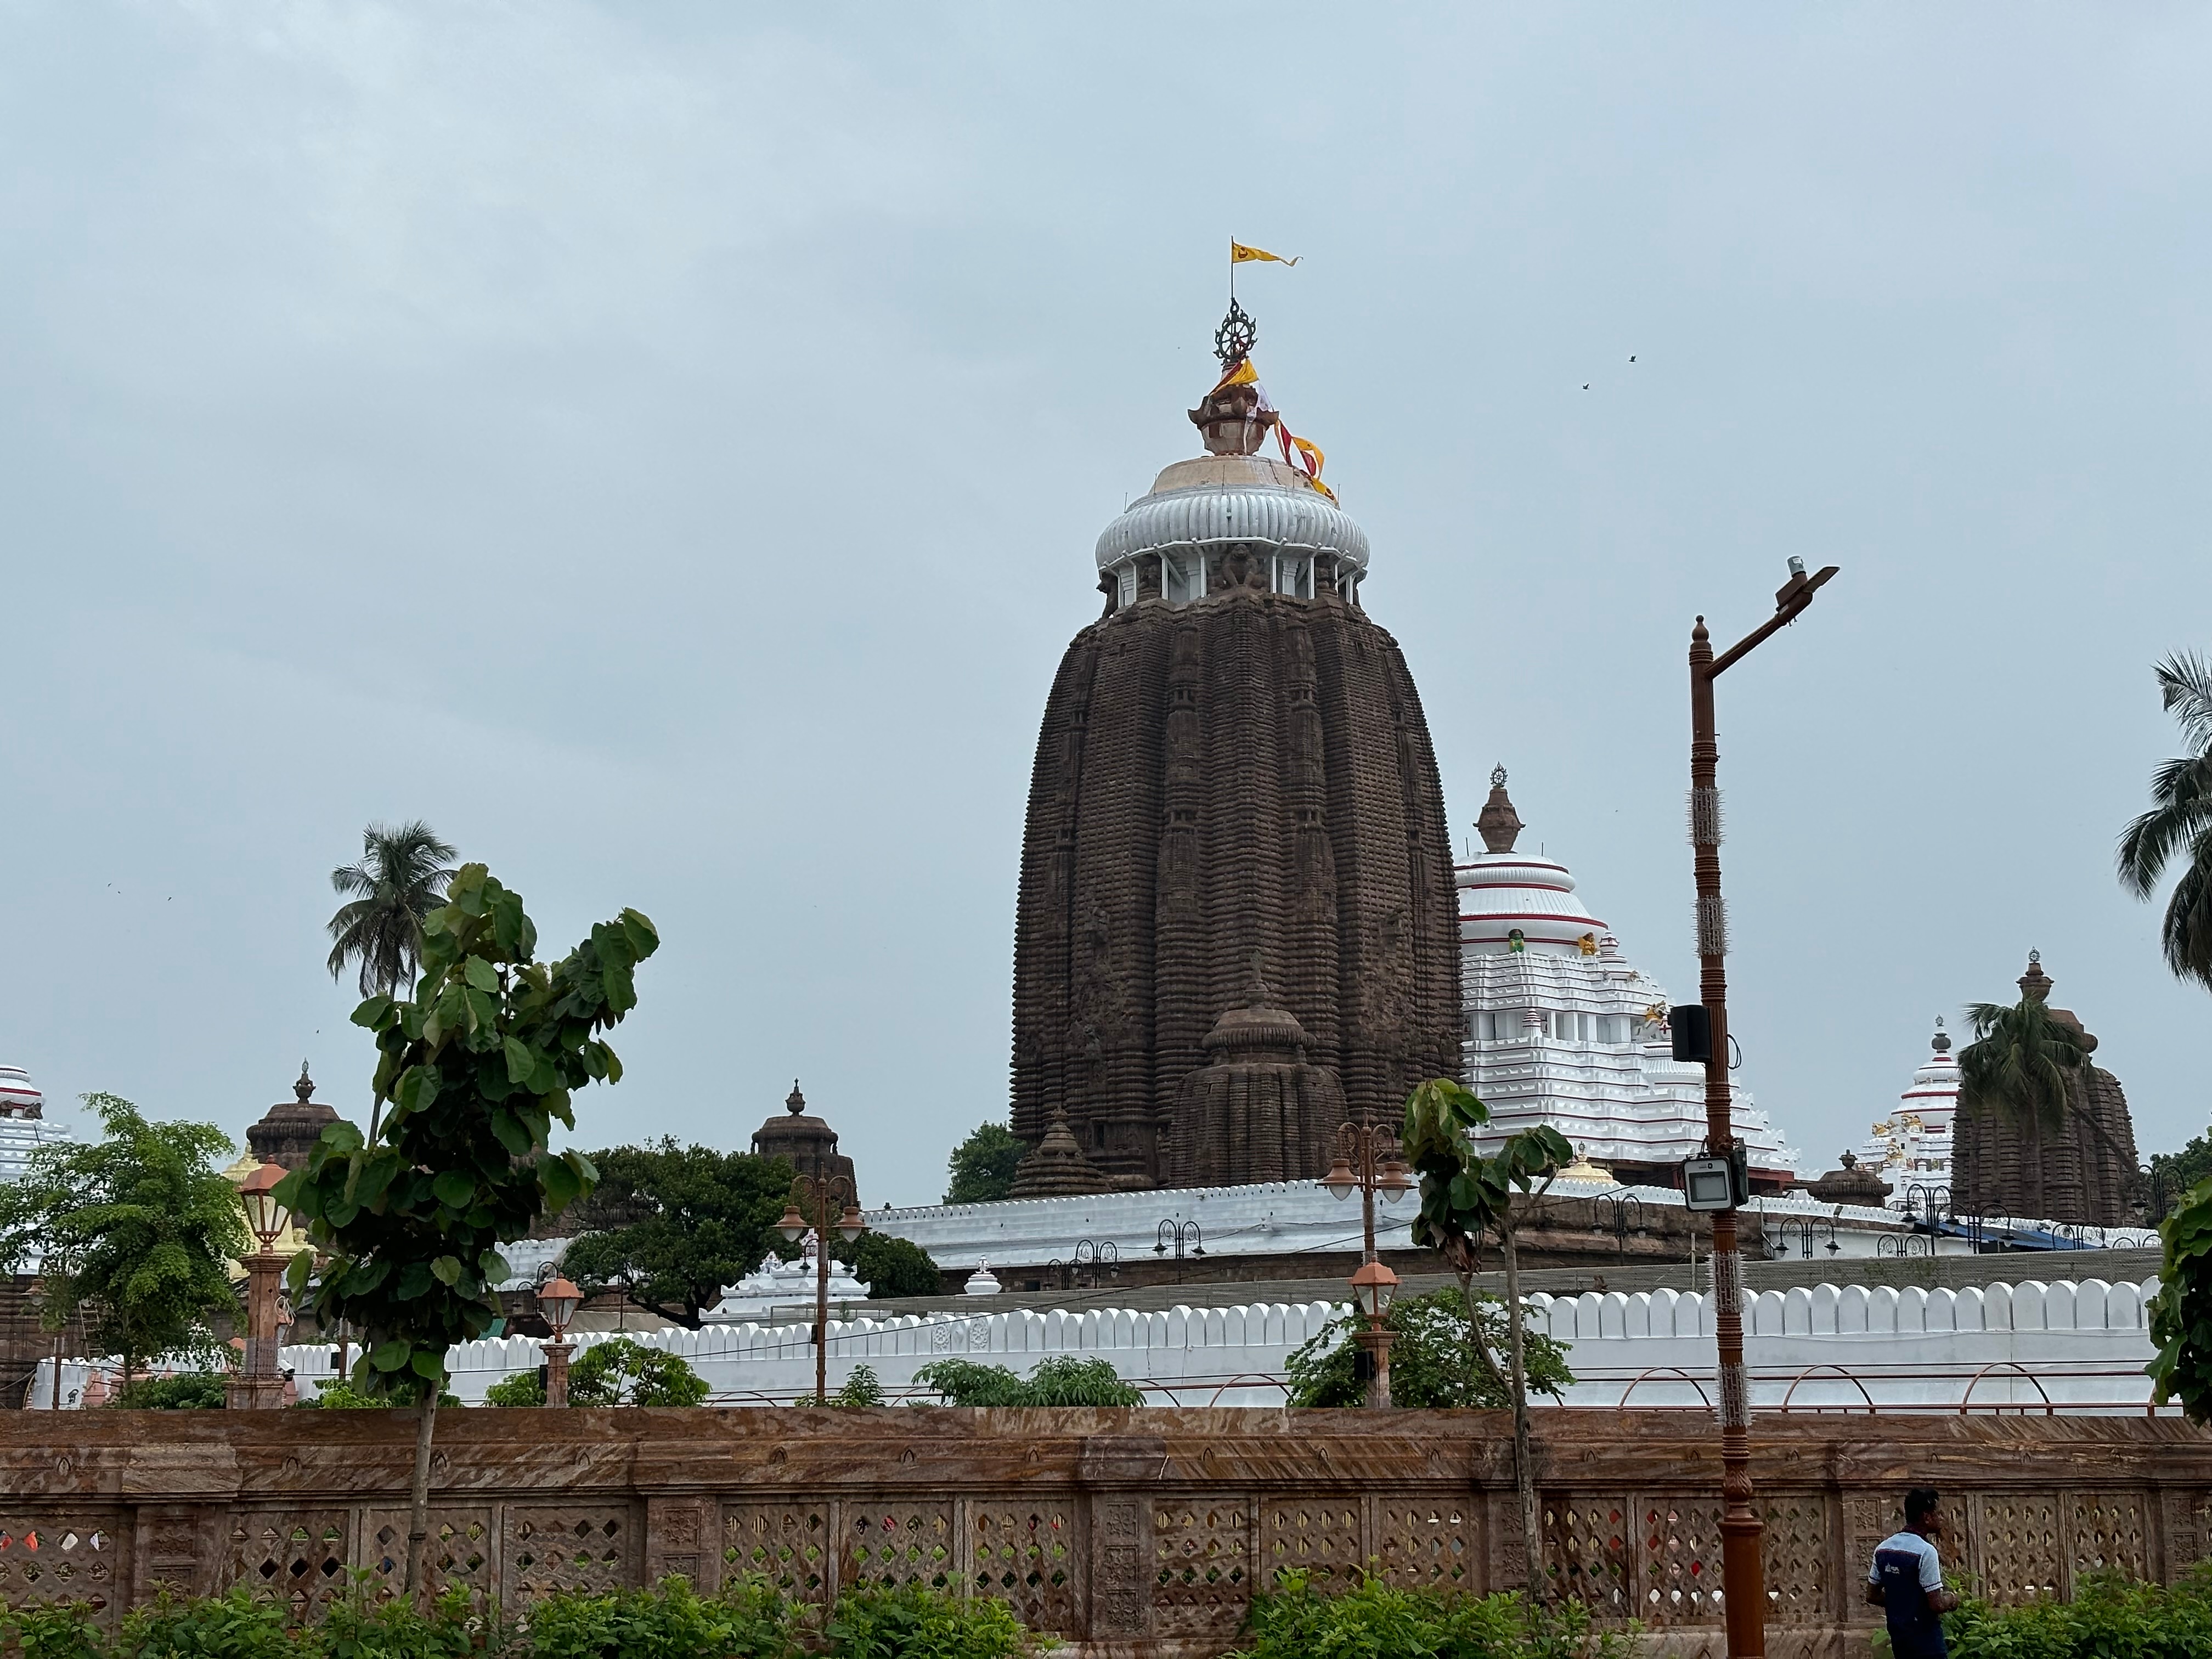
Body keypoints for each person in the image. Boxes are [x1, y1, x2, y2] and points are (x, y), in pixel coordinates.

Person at [1865, 1487, 1959, 1657]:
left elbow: (1872, 1595)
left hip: (1899, 1637)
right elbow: (1936, 1604)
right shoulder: (1925, 1551)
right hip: (1926, 1640)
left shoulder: (1883, 1549)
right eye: (1938, 1514)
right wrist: (1952, 1599)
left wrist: (1901, 1602)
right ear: (1927, 1517)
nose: (1941, 1519)